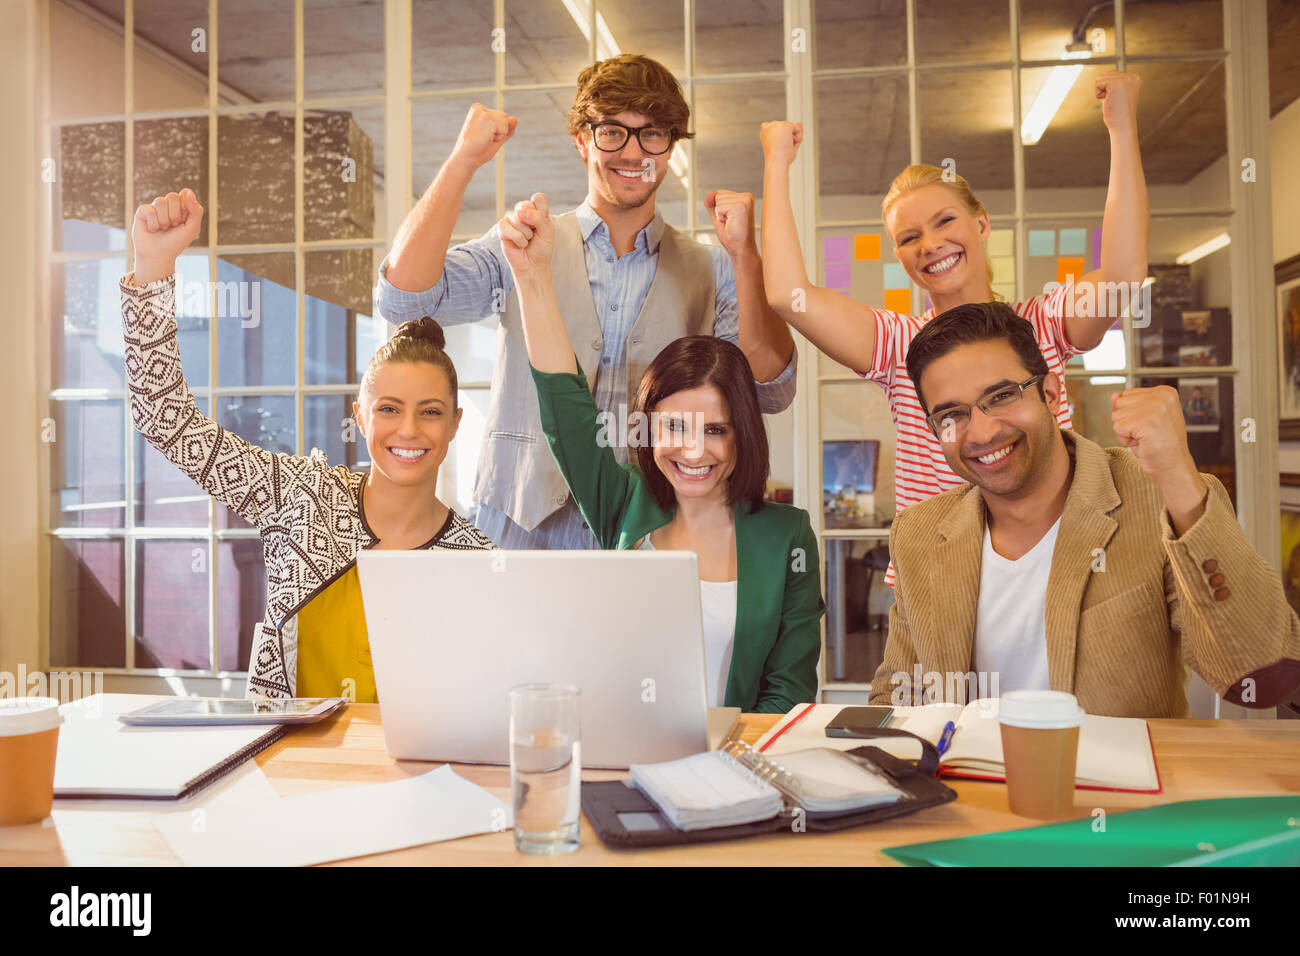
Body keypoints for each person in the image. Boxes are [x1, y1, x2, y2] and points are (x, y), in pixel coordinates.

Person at [378, 53, 796, 551]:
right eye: (612, 131)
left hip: (648, 534)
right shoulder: (524, 243)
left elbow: (771, 390)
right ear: (582, 140)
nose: (633, 151)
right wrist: (462, 160)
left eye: (653, 133)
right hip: (516, 531)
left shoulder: (715, 267)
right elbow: (404, 299)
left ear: (670, 148)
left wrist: (747, 256)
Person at [760, 72, 1149, 583]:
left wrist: (1121, 125)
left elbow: (1121, 278)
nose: (930, 244)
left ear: (981, 224)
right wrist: (776, 162)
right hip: (937, 580)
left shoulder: (1040, 323)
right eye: (909, 237)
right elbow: (787, 296)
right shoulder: (901, 344)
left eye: (945, 221)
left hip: (1052, 566)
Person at [122, 189, 493, 701]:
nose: (408, 430)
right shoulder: (304, 497)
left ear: (454, 424)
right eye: (388, 408)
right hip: (286, 769)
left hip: (416, 777)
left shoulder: (477, 562)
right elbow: (166, 420)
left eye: (429, 412)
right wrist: (154, 267)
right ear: (361, 417)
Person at [867, 302, 1300, 717]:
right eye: (951, 415)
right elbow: (897, 697)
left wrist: (1176, 473)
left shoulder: (1159, 496)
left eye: (1001, 396)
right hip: (968, 789)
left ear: (1052, 393)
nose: (981, 432)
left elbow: (1264, 678)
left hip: (1123, 790)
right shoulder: (918, 532)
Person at [499, 192, 823, 713]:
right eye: (674, 425)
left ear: (744, 432)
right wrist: (532, 279)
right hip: (625, 755)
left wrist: (730, 773)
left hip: (735, 767)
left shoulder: (787, 536)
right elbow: (565, 406)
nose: (694, 449)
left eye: (716, 428)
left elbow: (788, 691)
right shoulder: (624, 503)